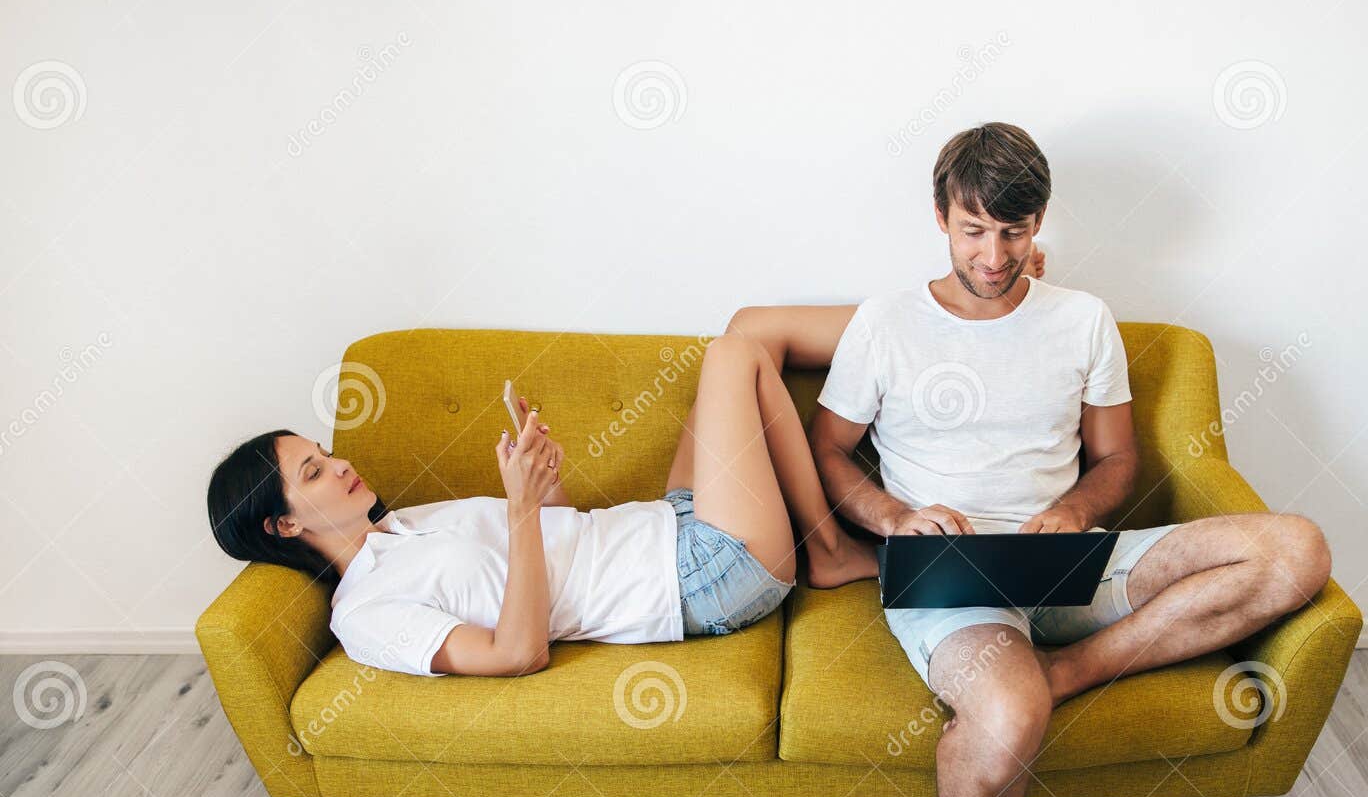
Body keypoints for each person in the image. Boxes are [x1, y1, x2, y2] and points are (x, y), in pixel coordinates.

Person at [803, 122, 1333, 797]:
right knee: (1009, 708)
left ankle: (1071, 667)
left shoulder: (1081, 319)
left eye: (1013, 231)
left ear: (1038, 220)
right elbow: (829, 452)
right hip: (955, 578)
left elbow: (1117, 461)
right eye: (974, 230)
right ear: (940, 218)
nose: (995, 254)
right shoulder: (885, 323)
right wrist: (895, 515)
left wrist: (1076, 511)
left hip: (1071, 561)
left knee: (1297, 549)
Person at [205, 324, 879, 678]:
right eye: (317, 471)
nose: (342, 463)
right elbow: (516, 652)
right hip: (701, 576)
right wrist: (521, 510)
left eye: (326, 454)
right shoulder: (367, 615)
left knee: (749, 327)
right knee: (736, 354)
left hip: (664, 523)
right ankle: (829, 549)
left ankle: (946, 317)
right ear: (285, 521)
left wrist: (544, 480)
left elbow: (554, 542)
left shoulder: (403, 527)